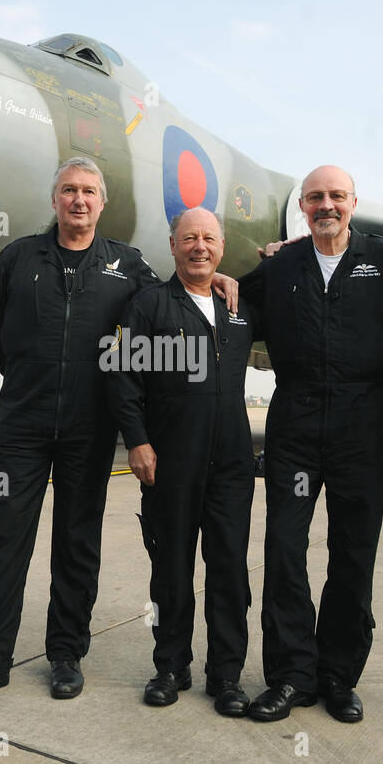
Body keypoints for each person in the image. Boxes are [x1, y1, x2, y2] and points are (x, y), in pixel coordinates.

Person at [0, 157, 237, 705]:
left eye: (89, 192)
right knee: (3, 539)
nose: (79, 200)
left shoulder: (127, 265)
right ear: (55, 200)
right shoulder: (17, 258)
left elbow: (173, 297)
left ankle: (66, 653)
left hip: (89, 429)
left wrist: (214, 275)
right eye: (69, 190)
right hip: (21, 427)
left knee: (77, 542)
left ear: (102, 203)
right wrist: (28, 376)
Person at [238, 165, 383, 723]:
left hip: (364, 422)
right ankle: (291, 677)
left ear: (353, 202)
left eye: (336, 196)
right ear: (302, 206)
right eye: (315, 197)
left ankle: (339, 676)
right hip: (295, 421)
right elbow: (227, 302)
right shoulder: (282, 266)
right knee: (284, 553)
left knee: (352, 557)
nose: (326, 205)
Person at [106, 208, 258, 717]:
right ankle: (170, 667)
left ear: (221, 247)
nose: (200, 247)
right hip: (171, 458)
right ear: (171, 245)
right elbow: (123, 375)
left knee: (230, 569)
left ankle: (227, 675)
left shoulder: (238, 307)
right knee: (171, 566)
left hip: (234, 460)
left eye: (209, 239)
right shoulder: (147, 305)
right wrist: (137, 440)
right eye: (189, 238)